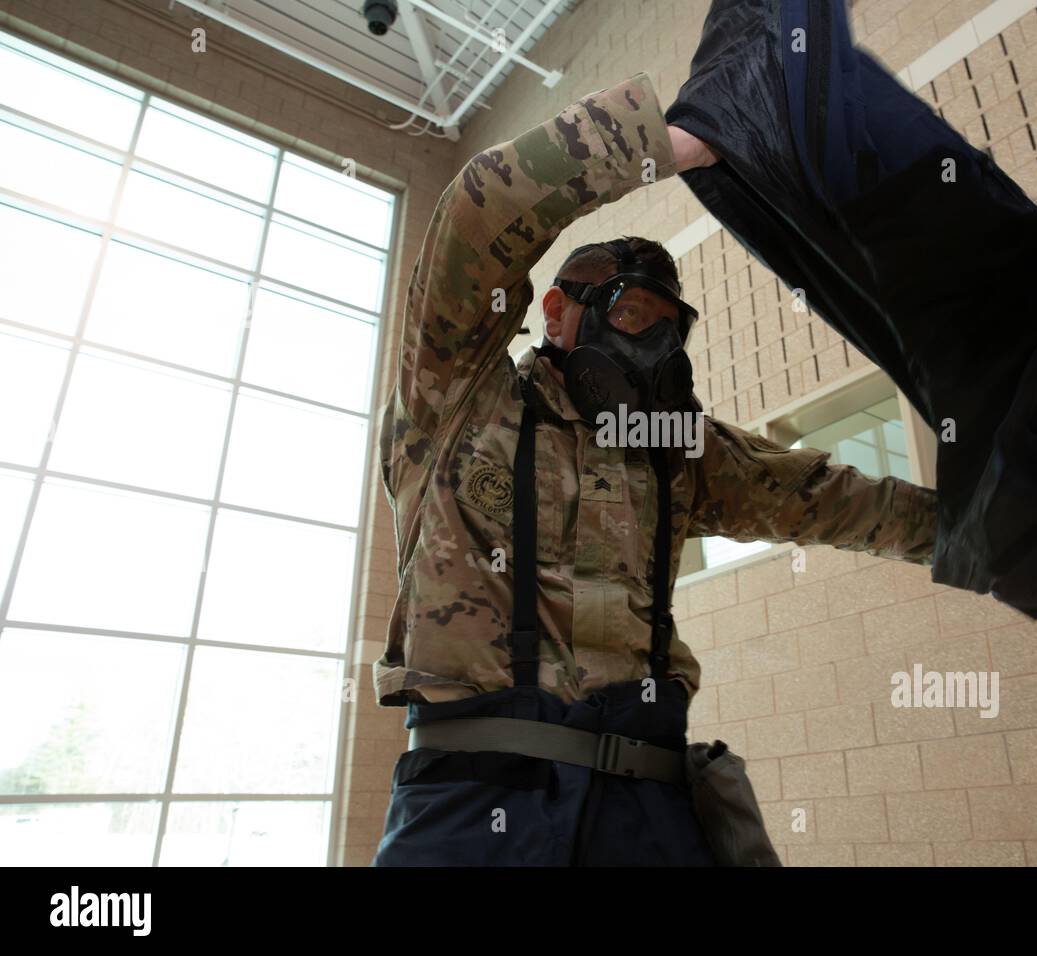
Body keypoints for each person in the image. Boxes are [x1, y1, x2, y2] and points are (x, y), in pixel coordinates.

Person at [370, 69, 939, 866]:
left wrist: (974, 535)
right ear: (558, 313)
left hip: (654, 808)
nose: (654, 350)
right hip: (475, 804)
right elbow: (475, 214)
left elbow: (821, 499)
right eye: (632, 316)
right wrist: (664, 146)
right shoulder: (458, 398)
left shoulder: (674, 450)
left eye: (671, 331)